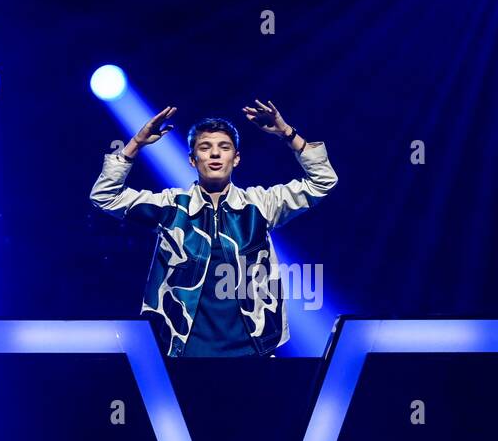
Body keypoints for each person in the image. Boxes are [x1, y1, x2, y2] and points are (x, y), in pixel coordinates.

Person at [90, 100, 336, 357]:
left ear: (236, 158)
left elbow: (324, 181)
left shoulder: (261, 204)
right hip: (183, 349)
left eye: (224, 147)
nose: (215, 154)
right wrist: (136, 144)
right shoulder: (172, 207)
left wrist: (287, 132)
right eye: (205, 148)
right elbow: (105, 196)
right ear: (192, 160)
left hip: (252, 350)